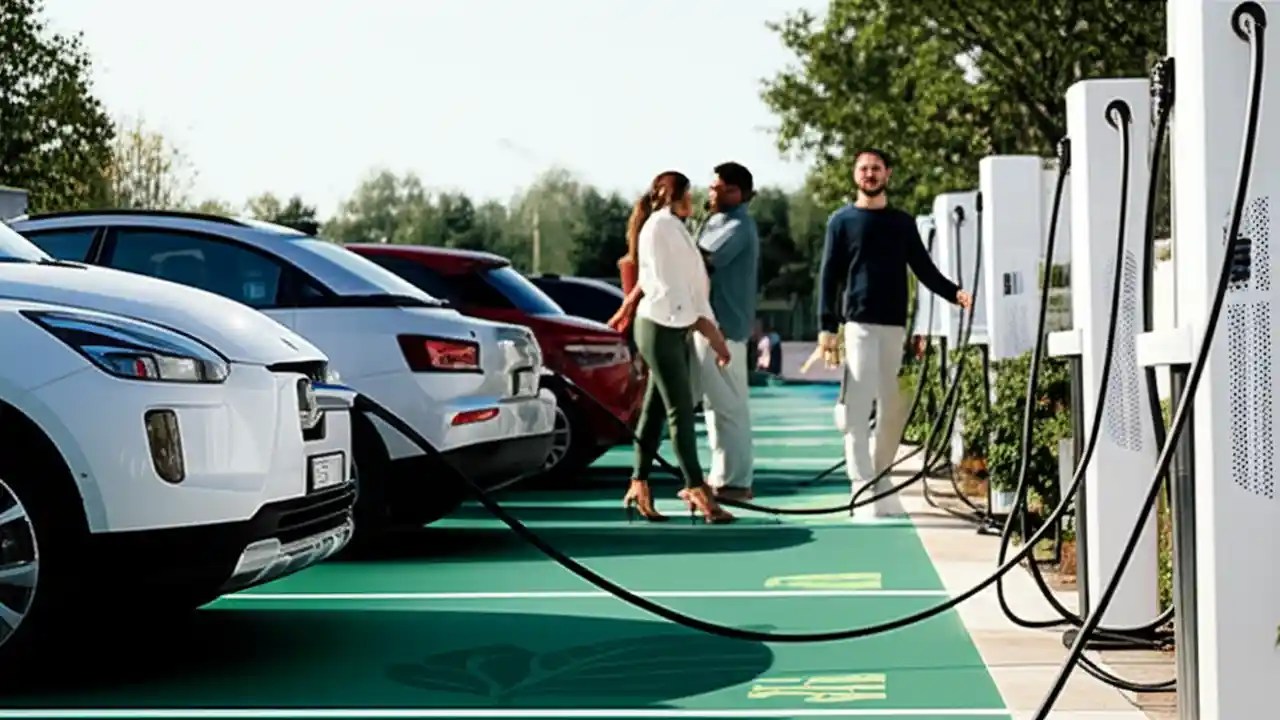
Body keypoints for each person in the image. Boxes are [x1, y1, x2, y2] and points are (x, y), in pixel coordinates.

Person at [816, 148, 972, 519]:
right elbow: (829, 275)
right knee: (858, 404)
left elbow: (923, 266)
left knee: (893, 406)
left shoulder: (902, 223)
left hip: (894, 325)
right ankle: (861, 484)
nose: (869, 174)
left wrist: (954, 292)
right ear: (855, 175)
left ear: (888, 174)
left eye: (876, 169)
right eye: (863, 169)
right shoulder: (841, 221)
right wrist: (826, 326)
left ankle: (881, 478)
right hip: (858, 325)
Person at [621, 170, 736, 524]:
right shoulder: (665, 227)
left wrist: (709, 332)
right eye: (690, 193)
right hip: (662, 327)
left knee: (656, 411)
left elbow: (683, 287)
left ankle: (638, 485)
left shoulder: (667, 226)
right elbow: (679, 290)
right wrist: (712, 335)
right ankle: (696, 488)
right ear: (679, 196)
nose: (694, 200)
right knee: (680, 410)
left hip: (667, 326)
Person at [688, 161, 760, 501]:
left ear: (738, 193)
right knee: (716, 405)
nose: (712, 193)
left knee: (728, 406)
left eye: (720, 189)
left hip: (724, 328)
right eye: (713, 187)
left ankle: (736, 482)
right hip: (711, 325)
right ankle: (723, 476)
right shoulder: (718, 221)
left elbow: (702, 260)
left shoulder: (738, 226)